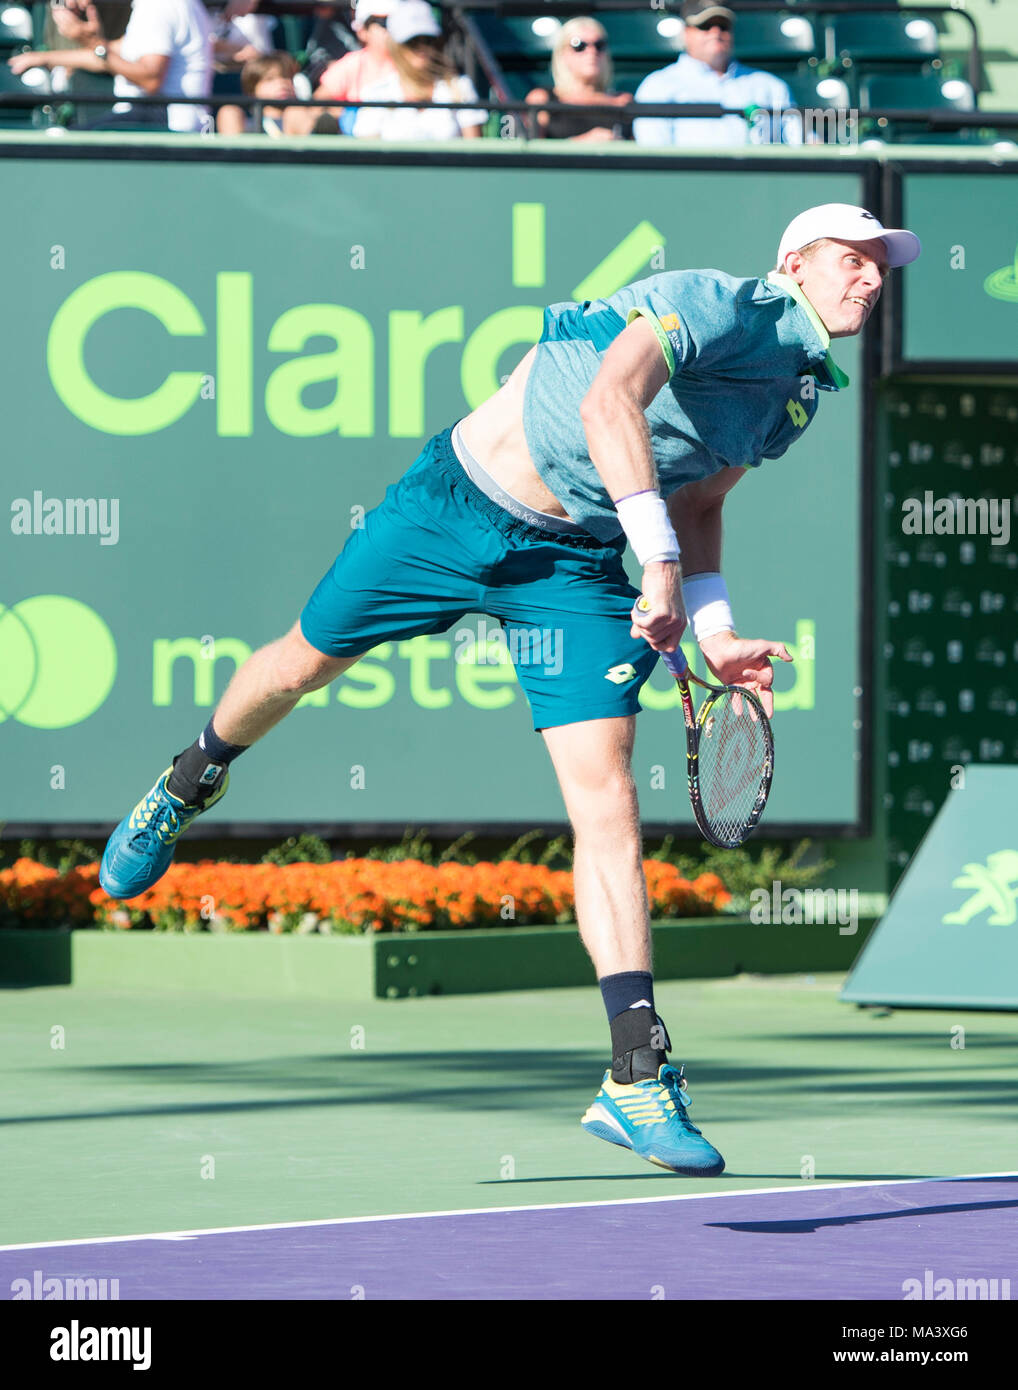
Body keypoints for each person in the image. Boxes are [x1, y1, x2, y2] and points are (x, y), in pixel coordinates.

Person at [100, 204, 920, 1176]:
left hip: (569, 568)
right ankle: (193, 775)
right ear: (795, 260)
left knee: (608, 800)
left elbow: (700, 501)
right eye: (849, 256)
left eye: (880, 263)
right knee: (297, 665)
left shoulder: (794, 396)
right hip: (451, 508)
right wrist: (654, 562)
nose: (868, 274)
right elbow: (606, 402)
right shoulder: (714, 303)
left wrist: (714, 629)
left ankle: (635, 1070)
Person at [8, 0, 213, 132]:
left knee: (62, 140)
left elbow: (150, 79)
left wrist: (93, 42)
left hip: (160, 125)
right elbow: (111, 55)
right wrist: (46, 58)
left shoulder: (159, 6)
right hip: (152, 122)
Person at [633, 0, 800, 148]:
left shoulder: (771, 87)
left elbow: (800, 147)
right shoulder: (657, 86)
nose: (715, 33)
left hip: (762, 182)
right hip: (688, 181)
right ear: (686, 33)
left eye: (723, 26)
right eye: (704, 26)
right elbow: (656, 159)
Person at [352, 0, 486, 141]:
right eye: (412, 42)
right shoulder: (377, 94)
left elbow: (474, 151)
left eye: (428, 40)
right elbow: (368, 154)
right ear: (396, 46)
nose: (422, 48)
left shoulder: (461, 89)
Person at [525, 16, 632, 142]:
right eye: (579, 45)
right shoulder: (542, 99)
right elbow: (529, 152)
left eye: (599, 45)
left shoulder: (624, 101)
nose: (591, 52)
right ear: (562, 53)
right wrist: (579, 144)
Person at [315, 0, 396, 131]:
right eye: (383, 22)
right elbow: (314, 106)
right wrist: (345, 114)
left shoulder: (416, 63)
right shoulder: (351, 64)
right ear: (362, 30)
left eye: (397, 21)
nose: (392, 28)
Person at [217, 50, 319, 135]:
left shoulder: (301, 114)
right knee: (229, 111)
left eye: (286, 77)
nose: (281, 83)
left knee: (296, 112)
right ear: (252, 89)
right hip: (250, 156)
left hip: (294, 157)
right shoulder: (244, 123)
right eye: (270, 79)